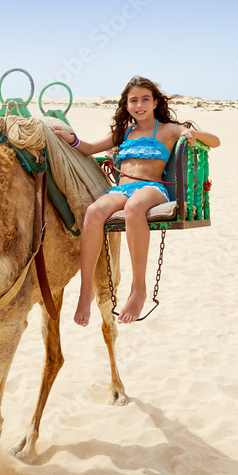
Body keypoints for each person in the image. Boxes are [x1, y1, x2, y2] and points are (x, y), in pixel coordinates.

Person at [51, 76, 220, 325]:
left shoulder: (168, 129)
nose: (139, 104)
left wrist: (190, 133)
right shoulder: (124, 132)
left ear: (155, 102)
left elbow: (216, 141)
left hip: (153, 188)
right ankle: (86, 290)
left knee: (134, 207)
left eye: (145, 99)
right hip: (122, 190)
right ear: (126, 105)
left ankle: (138, 289)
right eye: (133, 100)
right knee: (95, 212)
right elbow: (89, 148)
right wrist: (70, 139)